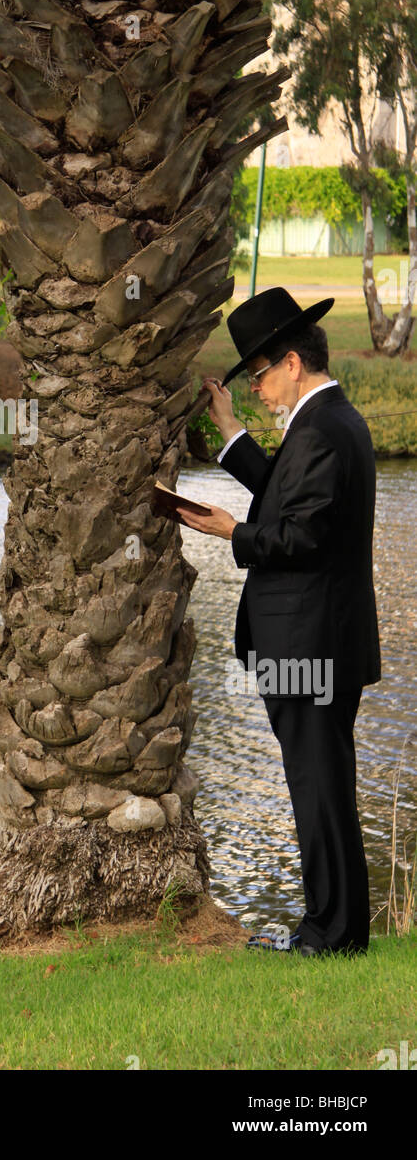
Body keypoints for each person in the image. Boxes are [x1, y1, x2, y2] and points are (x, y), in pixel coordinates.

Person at [176, 287, 380, 958]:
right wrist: (231, 431)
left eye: (259, 375)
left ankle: (329, 934)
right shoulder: (326, 423)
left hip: (309, 643)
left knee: (317, 788)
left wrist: (232, 533)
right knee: (323, 785)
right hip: (316, 641)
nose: (258, 388)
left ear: (293, 362)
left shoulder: (322, 429)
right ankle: (338, 929)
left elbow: (300, 537)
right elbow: (283, 492)